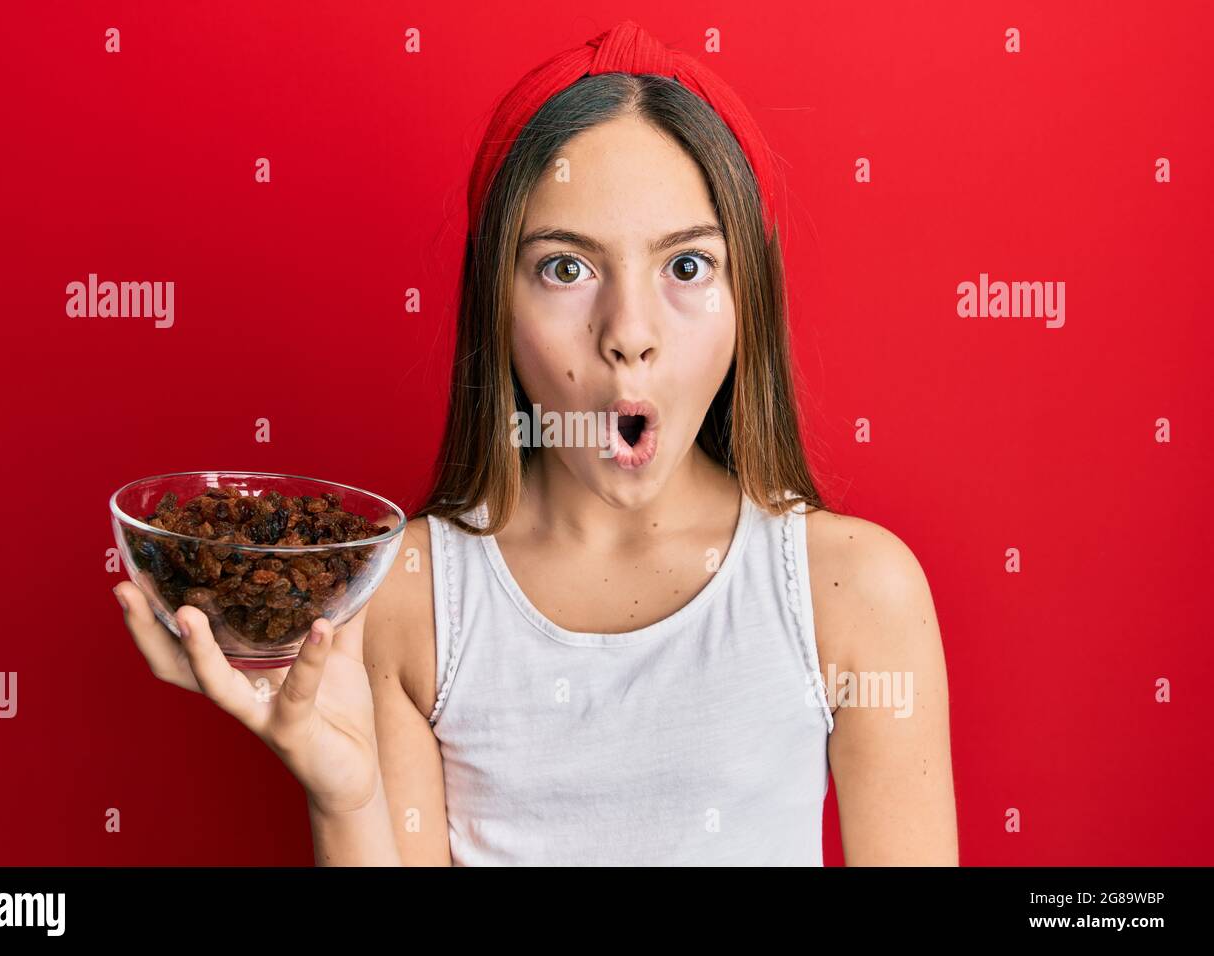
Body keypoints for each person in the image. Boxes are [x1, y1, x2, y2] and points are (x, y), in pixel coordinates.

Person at [115, 19, 957, 866]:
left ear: (750, 302)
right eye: (566, 267)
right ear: (497, 305)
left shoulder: (854, 593)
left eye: (688, 266)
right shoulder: (403, 598)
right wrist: (347, 797)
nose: (629, 334)